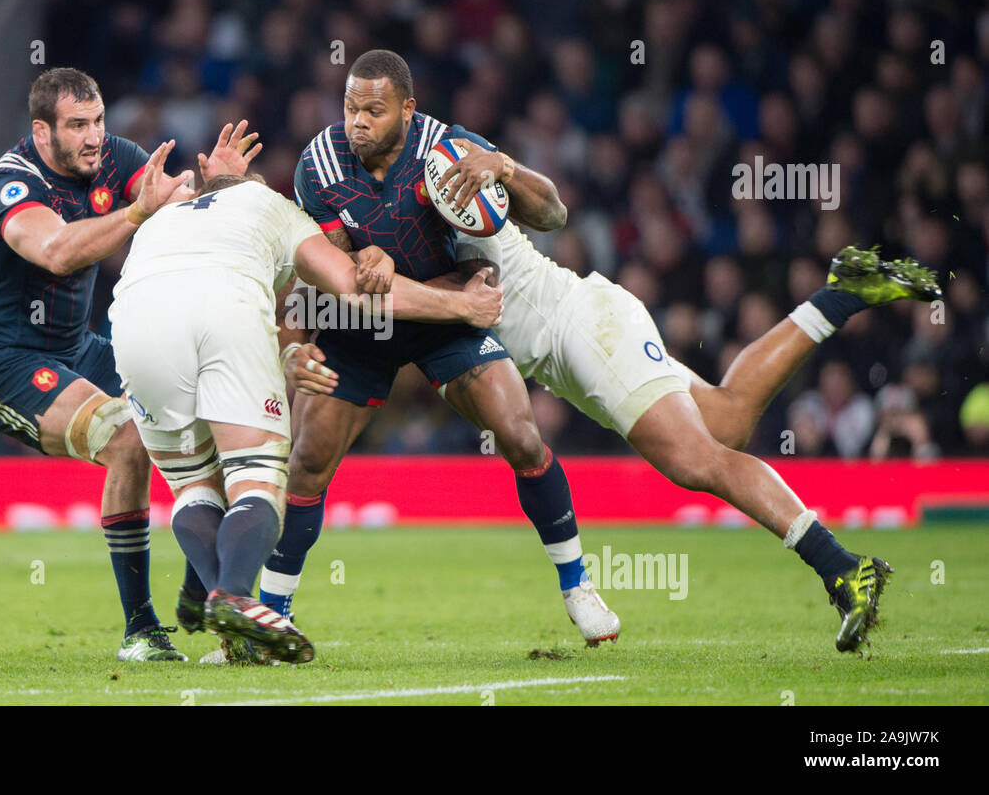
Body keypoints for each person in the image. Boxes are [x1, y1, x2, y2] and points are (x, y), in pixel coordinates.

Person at [338, 224, 938, 652]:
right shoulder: (384, 211)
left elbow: (522, 237)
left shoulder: (436, 182)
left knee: (697, 459)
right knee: (726, 420)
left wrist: (500, 170)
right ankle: (842, 293)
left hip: (586, 329)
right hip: (565, 354)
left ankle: (842, 567)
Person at [253, 49, 622, 650]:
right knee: (307, 464)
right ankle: (273, 613)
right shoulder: (318, 165)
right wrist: (357, 261)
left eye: (373, 110)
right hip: (359, 324)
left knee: (521, 435)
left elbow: (553, 212)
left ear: (407, 109)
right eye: (350, 107)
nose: (358, 122)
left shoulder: (448, 148)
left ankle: (578, 586)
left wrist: (503, 168)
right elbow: (334, 272)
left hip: (446, 315)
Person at [109, 173, 503, 663]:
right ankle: (230, 595)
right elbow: (357, 291)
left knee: (192, 487)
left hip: (132, 318)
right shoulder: (274, 206)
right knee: (256, 483)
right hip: (222, 307)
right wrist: (462, 304)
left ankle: (229, 611)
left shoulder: (167, 214)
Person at [0, 66, 255, 662]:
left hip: (77, 347)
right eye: (77, 125)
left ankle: (199, 587)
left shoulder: (115, 158)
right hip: (0, 363)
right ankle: (139, 630)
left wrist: (219, 190)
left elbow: (177, 204)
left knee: (206, 418)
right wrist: (136, 215)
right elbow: (58, 252)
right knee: (126, 441)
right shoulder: (8, 186)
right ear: (42, 133)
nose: (94, 136)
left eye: (97, 121)